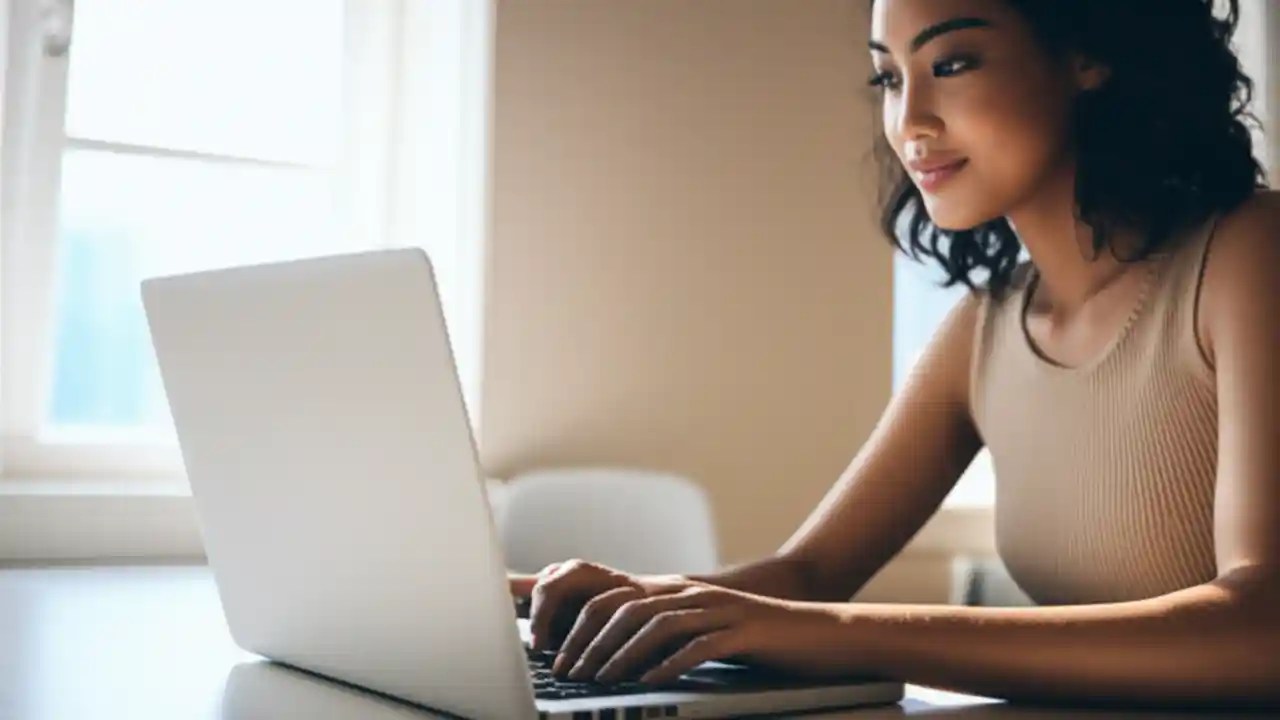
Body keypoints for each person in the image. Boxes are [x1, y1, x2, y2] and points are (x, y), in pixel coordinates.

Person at [509, 0, 1279, 708]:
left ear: (1088, 53)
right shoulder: (983, 328)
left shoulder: (1248, 254)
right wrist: (586, 599)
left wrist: (840, 633)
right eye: (887, 76)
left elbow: (1261, 625)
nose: (909, 120)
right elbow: (806, 578)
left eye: (951, 64)